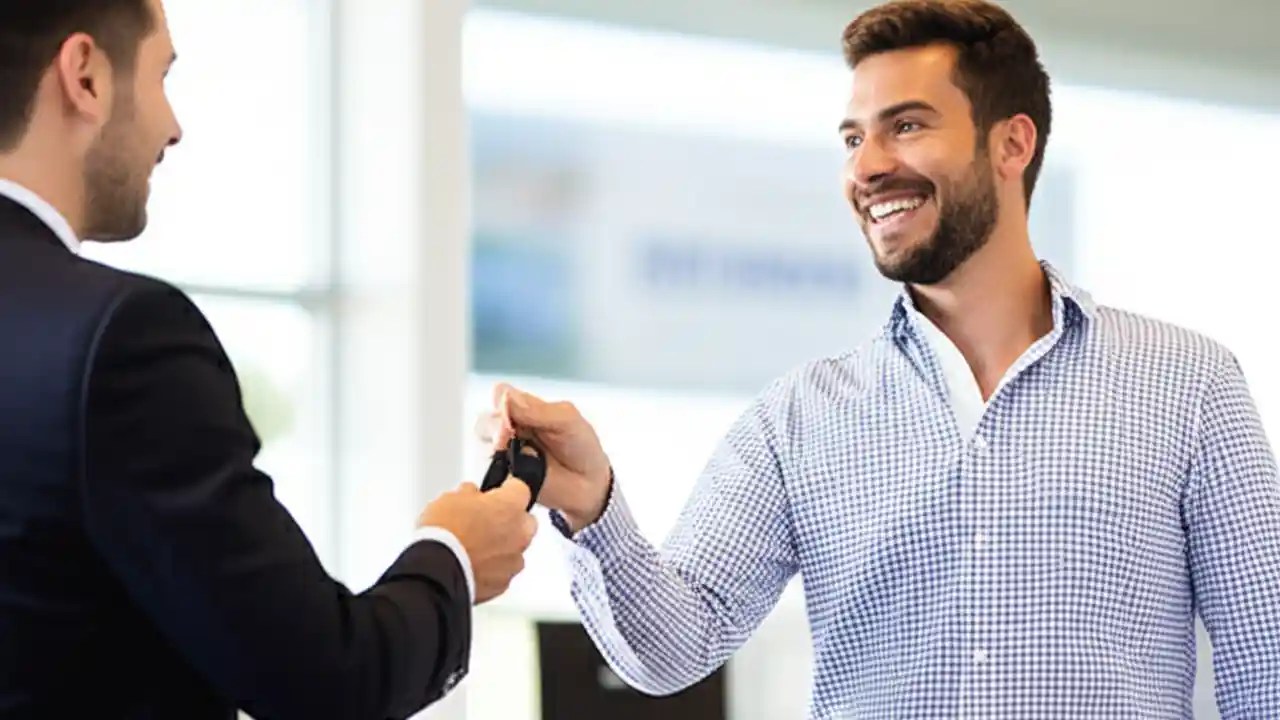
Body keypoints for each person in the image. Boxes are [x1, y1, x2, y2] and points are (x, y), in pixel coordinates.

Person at [481, 0, 1280, 716]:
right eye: (854, 138)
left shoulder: (1188, 384)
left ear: (1012, 142)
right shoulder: (799, 417)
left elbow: (1266, 667)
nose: (866, 168)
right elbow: (670, 651)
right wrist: (593, 506)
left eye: (907, 125)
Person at [0, 1, 537, 718]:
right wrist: (454, 556)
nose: (174, 126)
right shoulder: (121, 339)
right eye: (163, 76)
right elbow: (327, 679)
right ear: (86, 76)